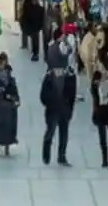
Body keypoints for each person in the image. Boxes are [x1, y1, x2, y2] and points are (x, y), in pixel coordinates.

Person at [40, 33, 73, 166]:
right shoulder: (55, 76)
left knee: (59, 132)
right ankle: (53, 154)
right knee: (54, 131)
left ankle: (57, 155)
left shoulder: (64, 75)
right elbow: (44, 95)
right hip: (56, 107)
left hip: (60, 107)